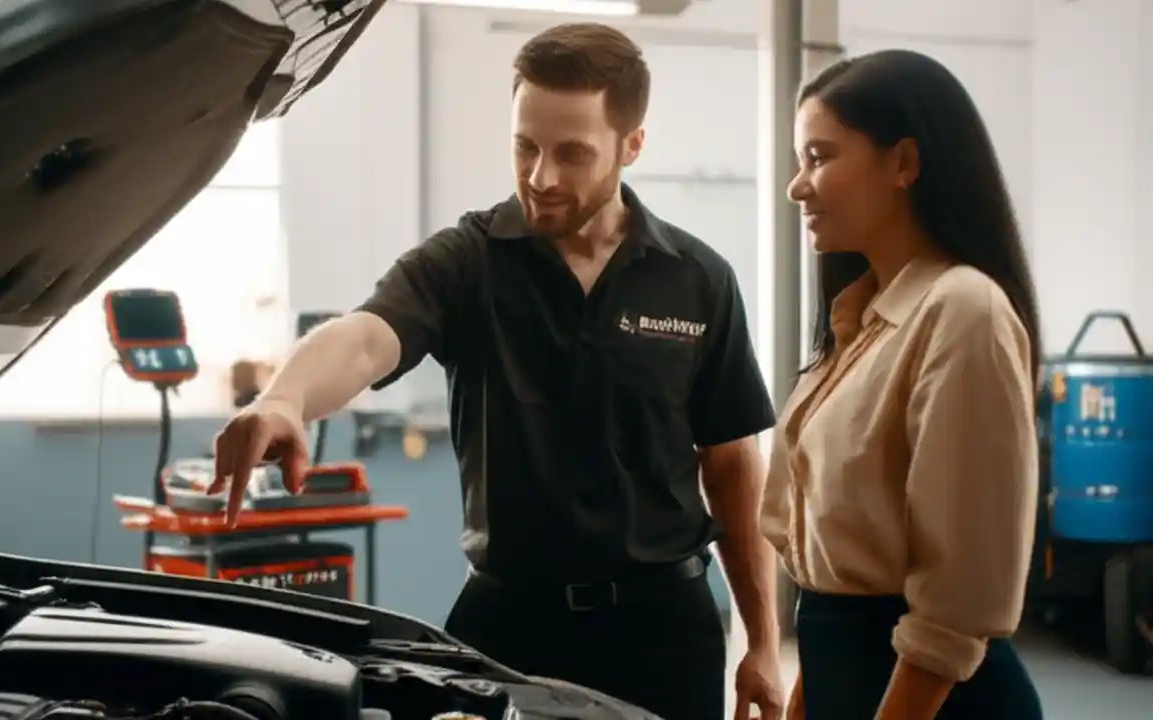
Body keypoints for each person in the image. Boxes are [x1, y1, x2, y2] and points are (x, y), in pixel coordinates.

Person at [211, 22, 784, 720]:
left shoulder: (697, 280)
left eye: (572, 153)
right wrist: (285, 398)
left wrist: (760, 638)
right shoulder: (469, 261)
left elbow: (729, 464)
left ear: (632, 145)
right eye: (525, 146)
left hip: (663, 628)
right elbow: (365, 339)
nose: (541, 176)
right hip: (510, 623)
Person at [765, 49, 1044, 720]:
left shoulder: (962, 311)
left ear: (904, 163)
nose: (796, 187)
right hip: (852, 681)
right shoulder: (858, 320)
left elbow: (959, 598)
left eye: (819, 157)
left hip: (930, 699)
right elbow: (830, 587)